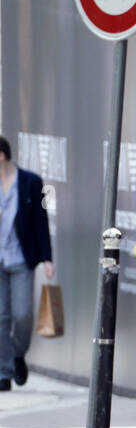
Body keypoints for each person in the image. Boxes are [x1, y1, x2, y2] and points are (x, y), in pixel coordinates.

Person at [0, 137, 54, 391]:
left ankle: (18, 353)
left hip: (22, 258)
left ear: (2, 156)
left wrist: (47, 258)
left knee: (22, 315)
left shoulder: (31, 182)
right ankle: (4, 371)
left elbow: (41, 222)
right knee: (1, 316)